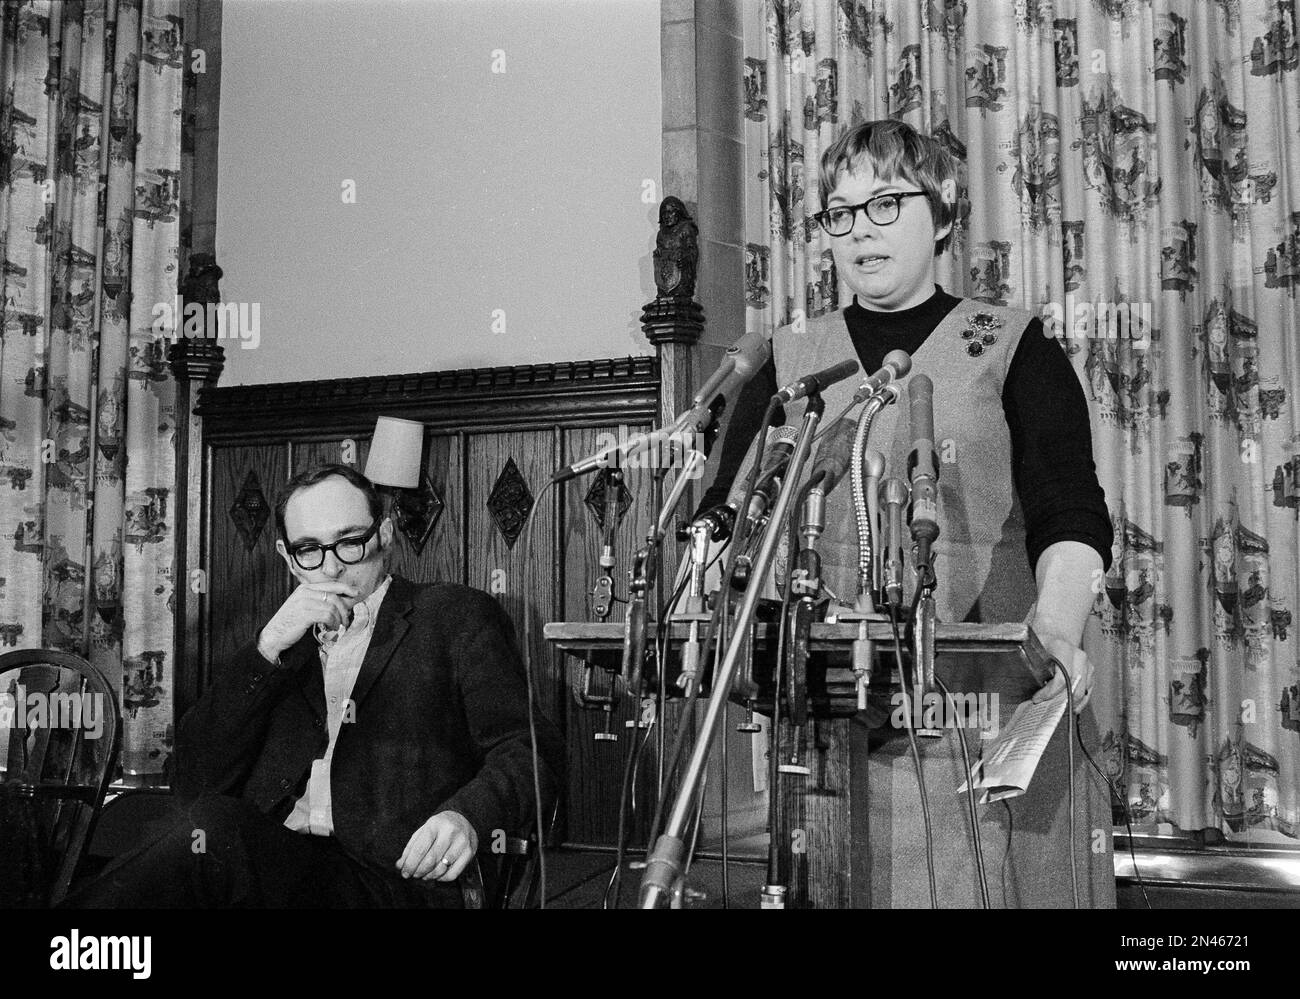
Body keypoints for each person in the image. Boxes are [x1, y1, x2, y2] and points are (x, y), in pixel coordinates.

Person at [697, 119, 1115, 907]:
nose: (860, 231)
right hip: (826, 730)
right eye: (840, 212)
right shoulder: (789, 362)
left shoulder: (1013, 345)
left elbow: (1070, 509)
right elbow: (723, 511)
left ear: (944, 212)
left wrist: (1058, 618)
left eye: (886, 203)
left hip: (983, 715)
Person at [68, 463, 563, 908]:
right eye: (309, 549)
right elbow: (194, 783)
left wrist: (467, 818)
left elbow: (531, 751)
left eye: (350, 541)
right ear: (286, 556)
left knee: (214, 832)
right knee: (188, 832)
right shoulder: (281, 643)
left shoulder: (453, 616)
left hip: (396, 881)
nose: (330, 567)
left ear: (385, 535)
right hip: (281, 870)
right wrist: (266, 651)